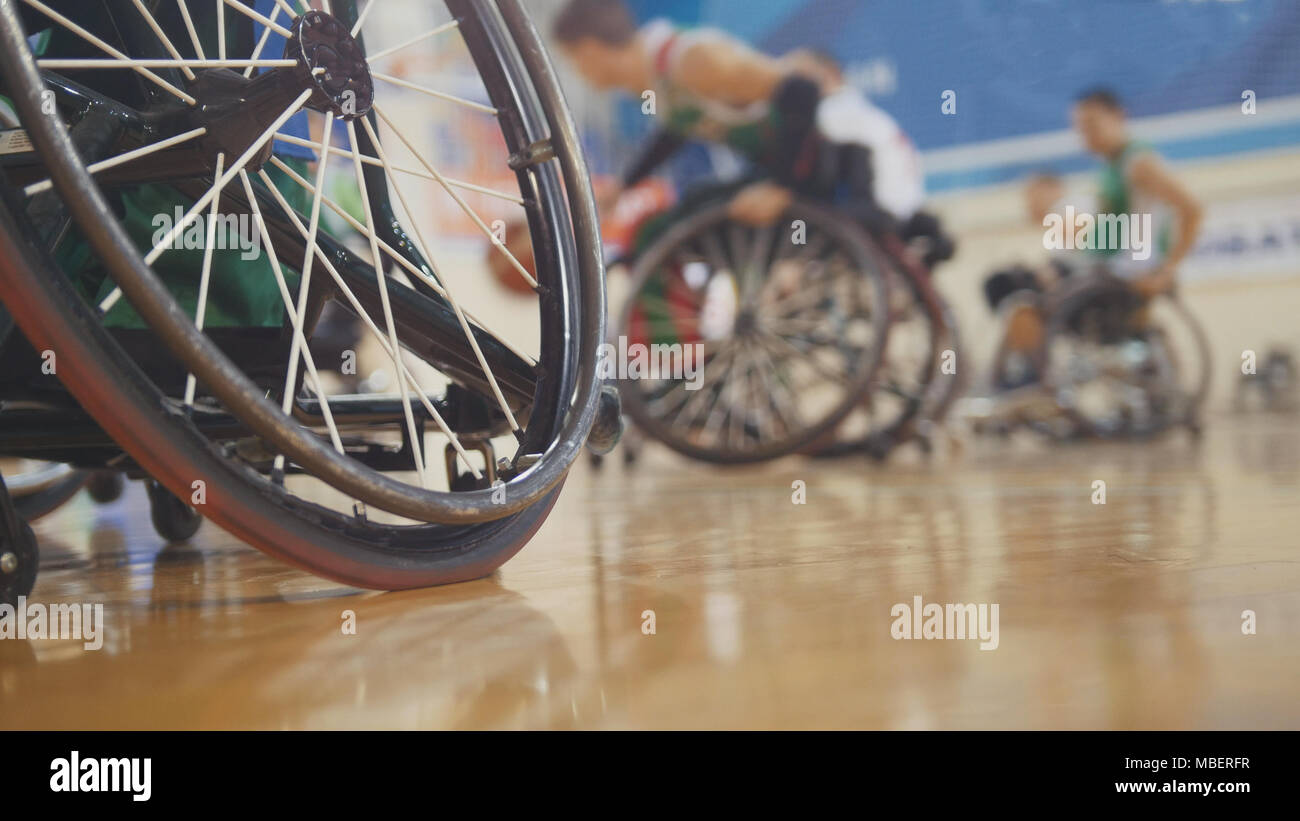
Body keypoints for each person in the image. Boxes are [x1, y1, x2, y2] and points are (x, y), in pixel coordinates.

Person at [551, 0, 942, 256]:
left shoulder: (695, 59)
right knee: (668, 223)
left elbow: (801, 91)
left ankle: (682, 354)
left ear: (589, 49)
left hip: (823, 166)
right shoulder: (658, 78)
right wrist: (625, 185)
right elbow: (676, 129)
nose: (578, 72)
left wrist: (780, 188)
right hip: (788, 165)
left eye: (573, 60)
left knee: (675, 229)